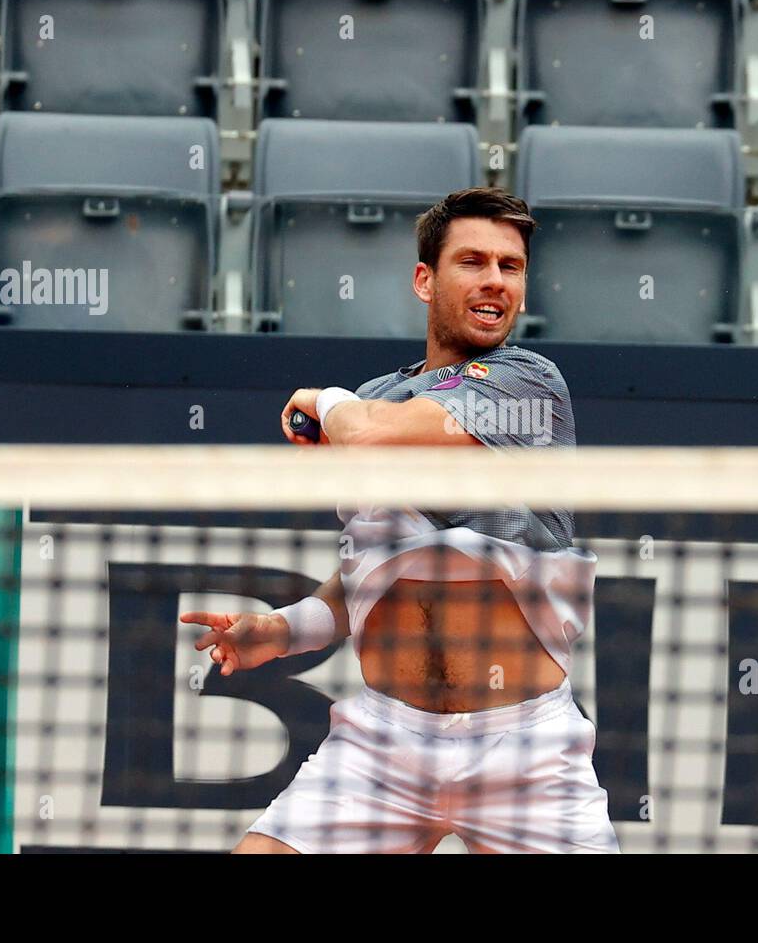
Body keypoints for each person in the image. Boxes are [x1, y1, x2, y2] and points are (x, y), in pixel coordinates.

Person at [181, 187, 618, 853]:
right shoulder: (378, 400)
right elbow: (373, 565)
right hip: (383, 744)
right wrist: (282, 628)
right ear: (425, 279)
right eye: (473, 261)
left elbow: (364, 437)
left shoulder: (529, 384)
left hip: (522, 750)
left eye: (511, 266)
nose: (495, 281)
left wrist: (325, 401)